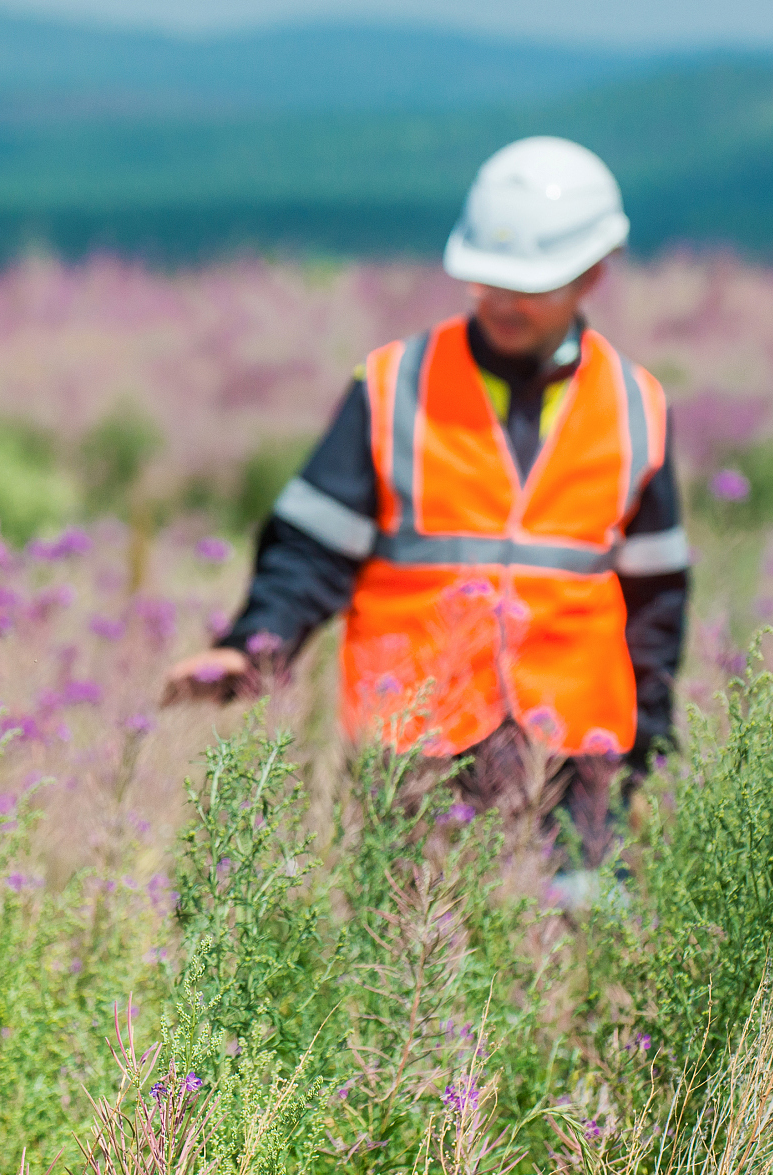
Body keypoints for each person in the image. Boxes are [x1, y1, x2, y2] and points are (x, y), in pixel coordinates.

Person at [165, 136, 690, 840]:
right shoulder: (393, 385)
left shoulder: (636, 403)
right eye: (487, 281)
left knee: (576, 937)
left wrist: (647, 747)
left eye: (528, 287)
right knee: (410, 945)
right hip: (415, 748)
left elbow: (656, 601)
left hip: (577, 761)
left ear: (592, 275)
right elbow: (312, 548)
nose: (502, 302)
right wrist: (252, 644)